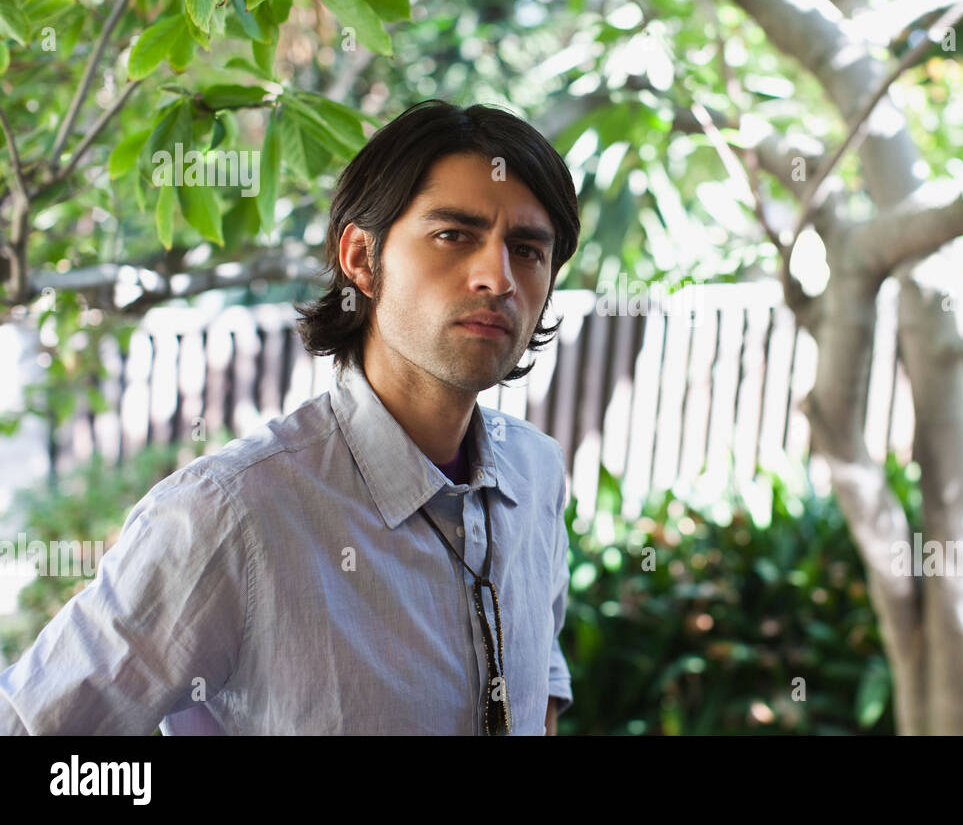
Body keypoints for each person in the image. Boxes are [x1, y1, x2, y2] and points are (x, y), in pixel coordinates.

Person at [0, 99, 581, 735]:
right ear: (362, 258)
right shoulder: (232, 514)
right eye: (454, 235)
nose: (497, 278)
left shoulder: (536, 474)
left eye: (526, 250)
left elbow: (535, 701)